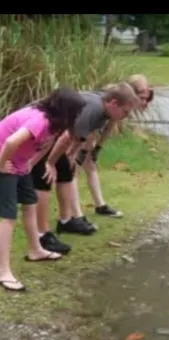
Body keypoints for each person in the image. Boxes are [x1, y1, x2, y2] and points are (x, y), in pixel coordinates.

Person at [31, 83, 140, 254]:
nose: (125, 116)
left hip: (55, 134)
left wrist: (71, 157)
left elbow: (77, 137)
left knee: (66, 172)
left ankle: (66, 221)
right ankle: (42, 234)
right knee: (44, 178)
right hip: (38, 130)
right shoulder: (94, 109)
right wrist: (51, 163)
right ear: (112, 103)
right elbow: (66, 137)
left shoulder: (104, 112)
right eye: (124, 112)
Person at [0, 88, 85, 291]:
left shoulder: (55, 125)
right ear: (66, 110)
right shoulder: (40, 120)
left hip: (19, 162)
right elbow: (11, 141)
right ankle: (3, 271)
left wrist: (31, 161)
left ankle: (35, 250)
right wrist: (1, 164)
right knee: (8, 216)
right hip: (5, 159)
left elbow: (45, 144)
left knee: (30, 204)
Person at [72, 74, 154, 220]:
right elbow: (91, 124)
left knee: (90, 165)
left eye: (147, 98)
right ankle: (75, 212)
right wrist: (85, 149)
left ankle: (100, 205)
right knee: (72, 167)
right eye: (142, 97)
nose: (144, 102)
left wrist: (98, 148)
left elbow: (109, 126)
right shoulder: (116, 101)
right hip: (78, 128)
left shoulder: (122, 105)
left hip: (87, 130)